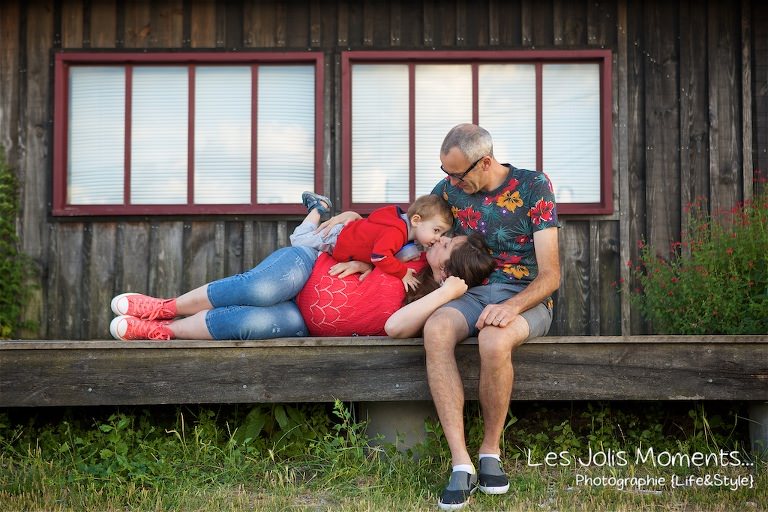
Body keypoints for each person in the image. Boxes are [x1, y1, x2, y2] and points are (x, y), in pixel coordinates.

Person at [425, 123, 561, 510]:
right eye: (445, 173)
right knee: (436, 330)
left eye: (457, 174)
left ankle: (490, 451)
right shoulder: (450, 190)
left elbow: (551, 275)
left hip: (526, 297)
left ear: (485, 162)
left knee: (494, 338)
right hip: (471, 294)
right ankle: (461, 463)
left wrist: (511, 307)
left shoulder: (534, 186)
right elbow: (414, 222)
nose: (450, 182)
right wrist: (353, 223)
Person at [108, 227, 495, 342]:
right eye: (444, 237)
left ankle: (162, 332)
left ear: (451, 272)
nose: (440, 240)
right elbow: (370, 228)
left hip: (305, 320)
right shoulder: (412, 251)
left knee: (247, 324)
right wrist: (362, 256)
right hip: (309, 267)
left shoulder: (436, 301)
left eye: (447, 246)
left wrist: (446, 292)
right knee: (259, 289)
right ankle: (165, 306)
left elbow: (395, 327)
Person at [290, 192, 453, 291]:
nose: (438, 238)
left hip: (347, 239)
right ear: (416, 220)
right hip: (337, 237)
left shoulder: (401, 226)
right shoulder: (396, 232)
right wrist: (402, 273)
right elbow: (380, 257)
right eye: (436, 230)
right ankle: (318, 208)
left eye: (442, 233)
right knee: (298, 240)